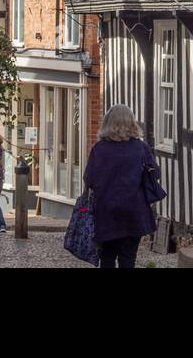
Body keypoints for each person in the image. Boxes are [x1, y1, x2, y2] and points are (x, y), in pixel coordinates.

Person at [83, 105, 160, 268]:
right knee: (128, 257)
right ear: (131, 123)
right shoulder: (141, 148)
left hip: (106, 211)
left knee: (107, 255)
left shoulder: (99, 149)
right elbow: (154, 175)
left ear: (107, 123)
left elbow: (89, 179)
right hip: (134, 210)